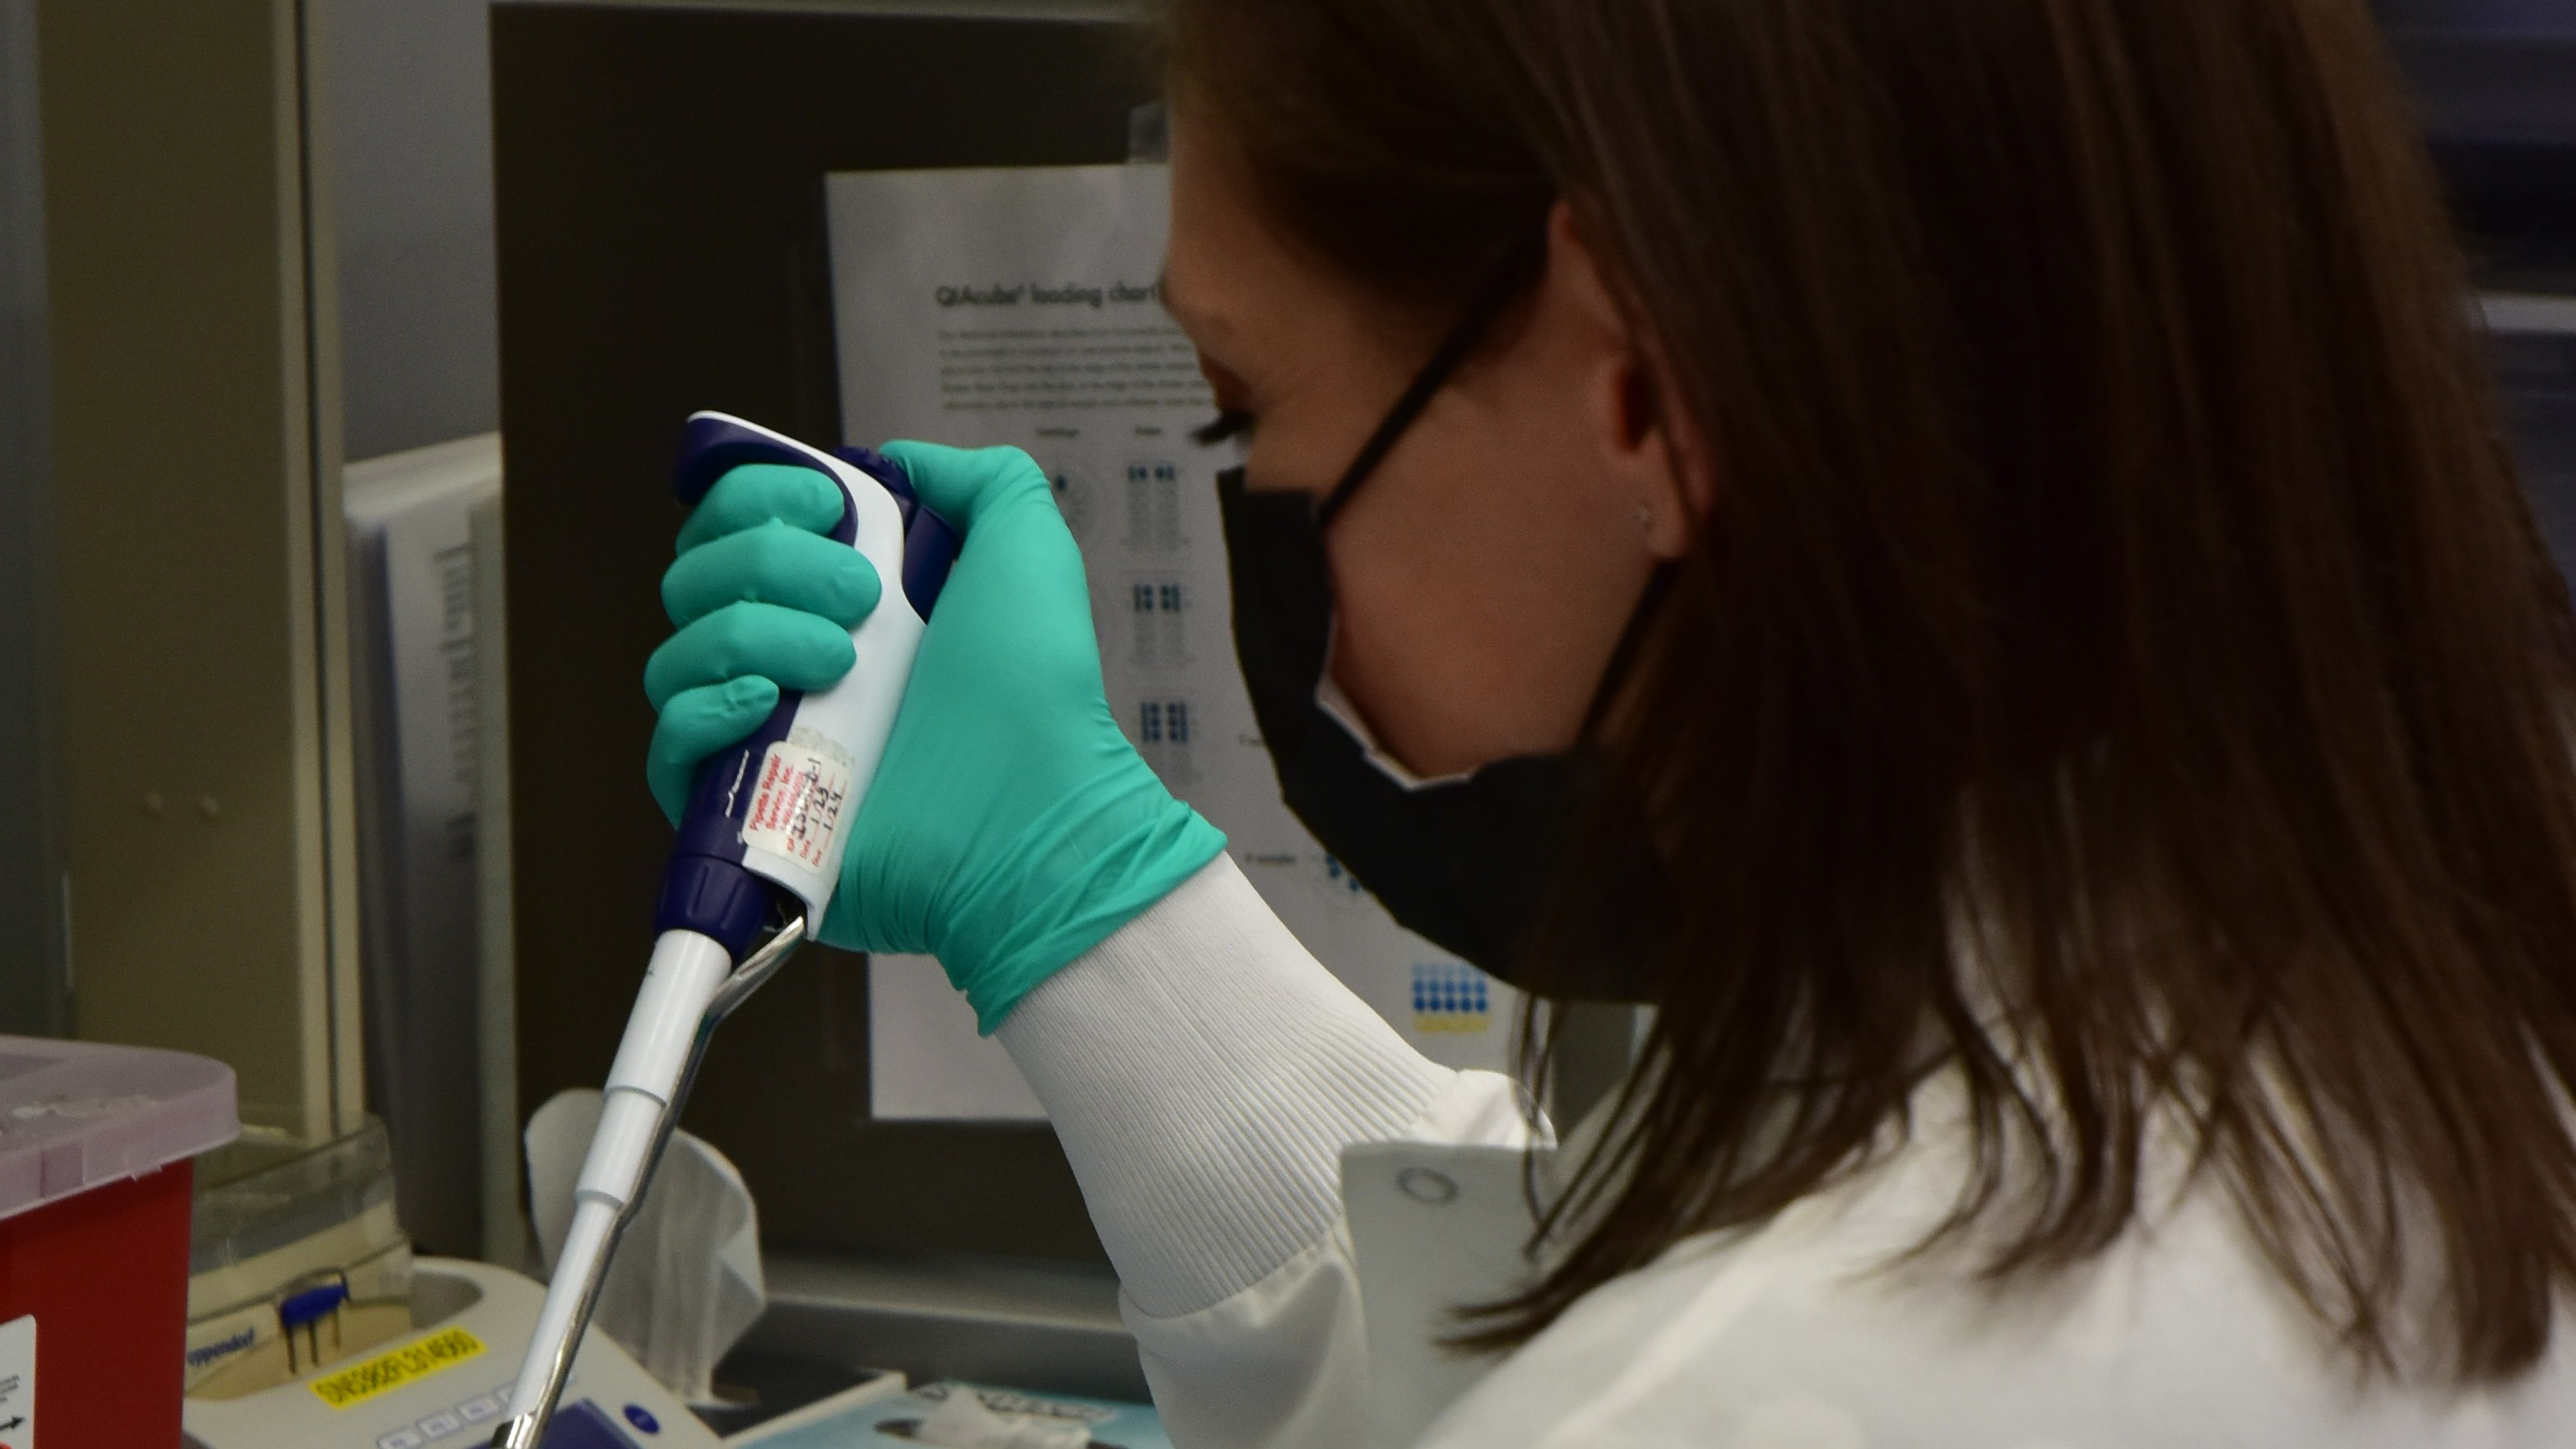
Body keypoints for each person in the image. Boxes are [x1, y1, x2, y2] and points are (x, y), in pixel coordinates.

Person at [639, 1, 2576, 1443]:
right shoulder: (2432, 1049)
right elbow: (1616, 1317)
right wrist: (1083, 902)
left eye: (1247, 407)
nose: (1250, 502)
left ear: (1637, 387)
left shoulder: (1786, 1388)